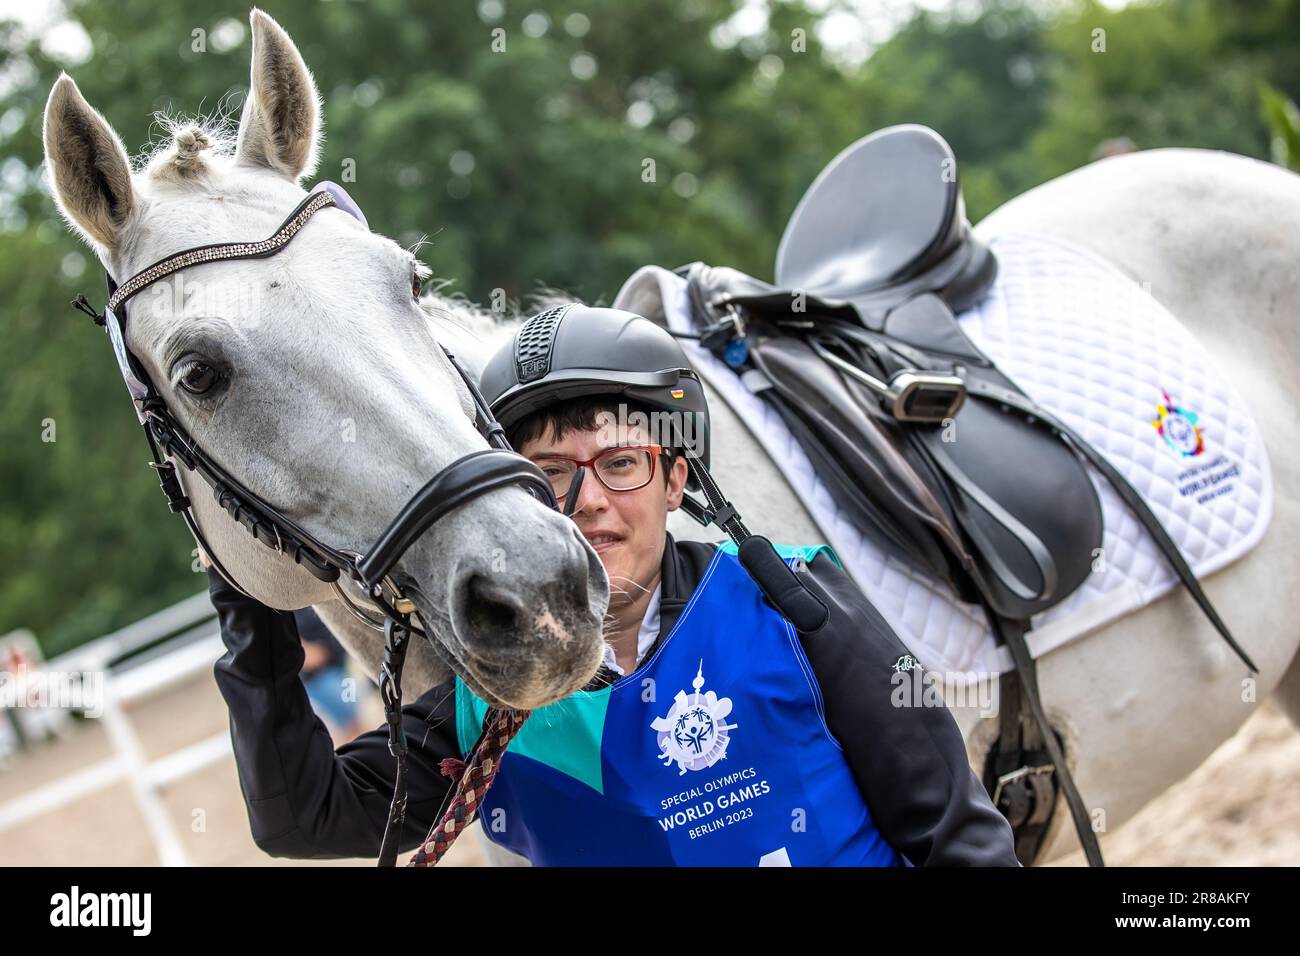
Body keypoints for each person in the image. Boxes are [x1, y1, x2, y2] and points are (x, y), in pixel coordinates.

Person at [208, 304, 1020, 866]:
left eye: (622, 464)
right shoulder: (482, 713)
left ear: (675, 480)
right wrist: (245, 584)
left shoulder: (797, 607)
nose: (588, 500)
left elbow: (953, 834)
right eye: (551, 473)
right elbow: (297, 818)